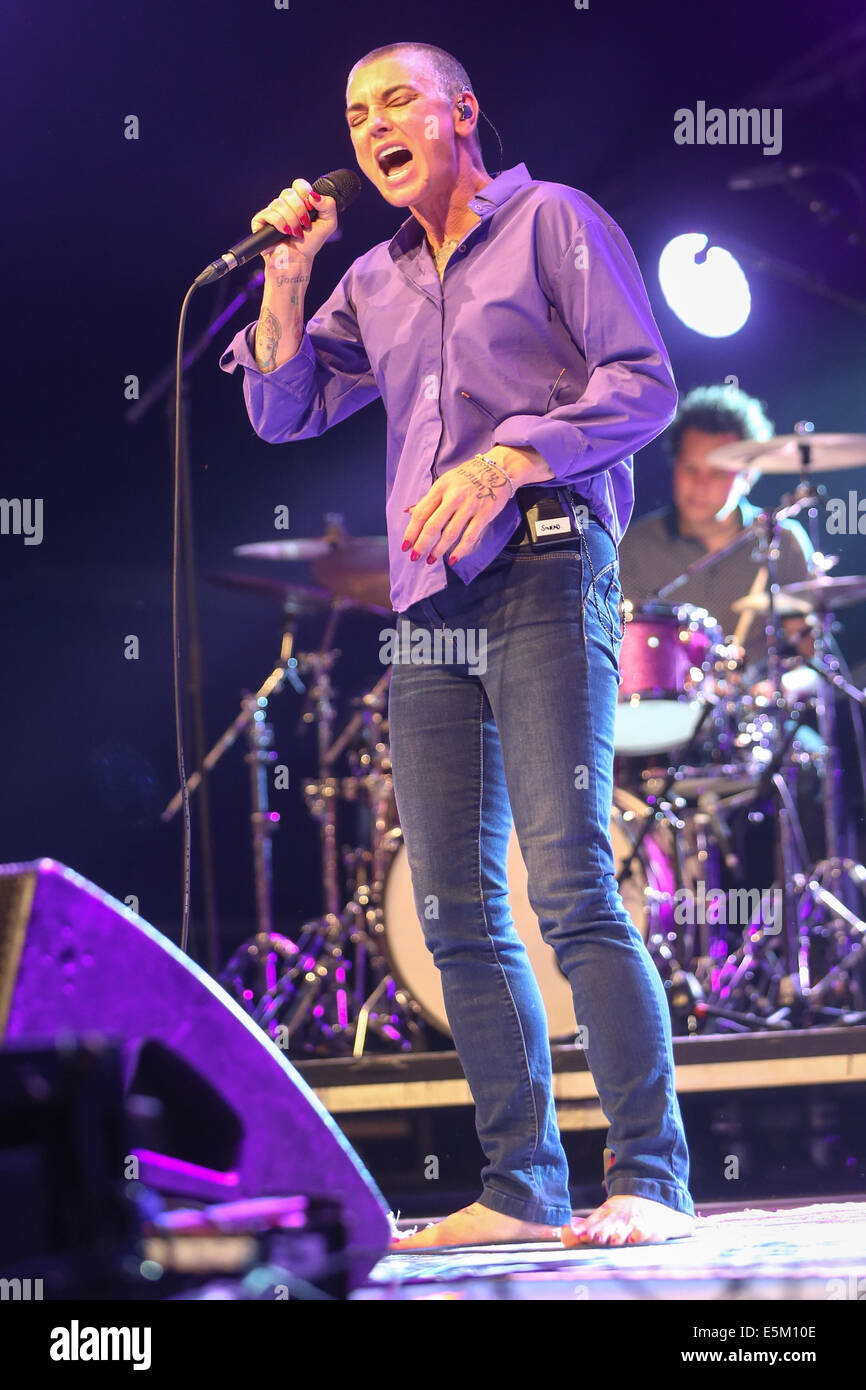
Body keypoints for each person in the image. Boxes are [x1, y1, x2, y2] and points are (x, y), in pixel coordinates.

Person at [220, 41, 695, 1250]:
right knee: (453, 913)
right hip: (426, 607)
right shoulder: (368, 276)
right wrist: (288, 272)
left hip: (542, 565)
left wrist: (505, 455)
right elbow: (280, 407)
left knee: (571, 882)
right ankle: (519, 1185)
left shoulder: (551, 222)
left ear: (459, 113)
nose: (369, 122)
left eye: (394, 100)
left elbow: (642, 384)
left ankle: (651, 1174)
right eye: (351, 110)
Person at [617, 384, 814, 675]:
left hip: (757, 714)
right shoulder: (631, 546)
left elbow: (811, 659)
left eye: (718, 473)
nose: (700, 484)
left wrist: (774, 690)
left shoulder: (783, 540)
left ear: (747, 476)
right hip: (665, 712)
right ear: (674, 465)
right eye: (690, 469)